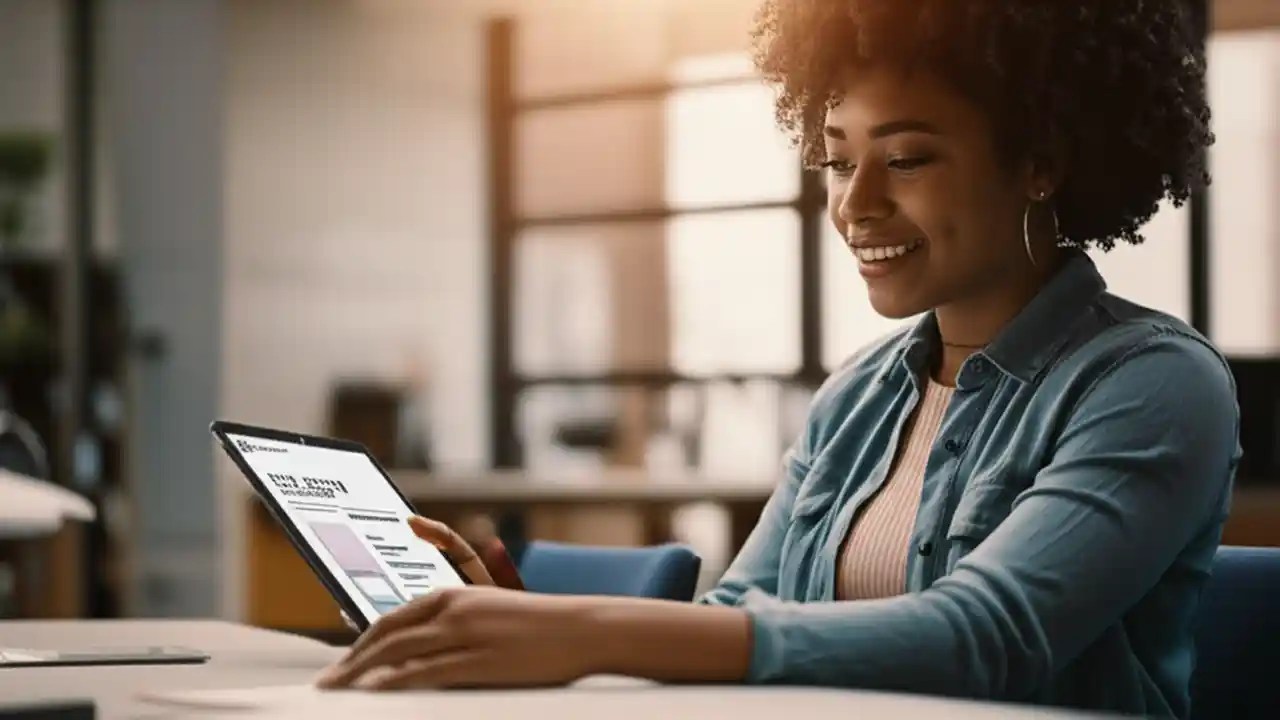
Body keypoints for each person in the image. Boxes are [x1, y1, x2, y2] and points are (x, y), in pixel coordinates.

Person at [317, 1, 1239, 715]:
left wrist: (585, 631)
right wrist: (517, 616)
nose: (855, 205)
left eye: (907, 158)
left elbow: (985, 639)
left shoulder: (1154, 383)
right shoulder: (863, 394)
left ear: (1041, 160)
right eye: (837, 162)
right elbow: (740, 623)